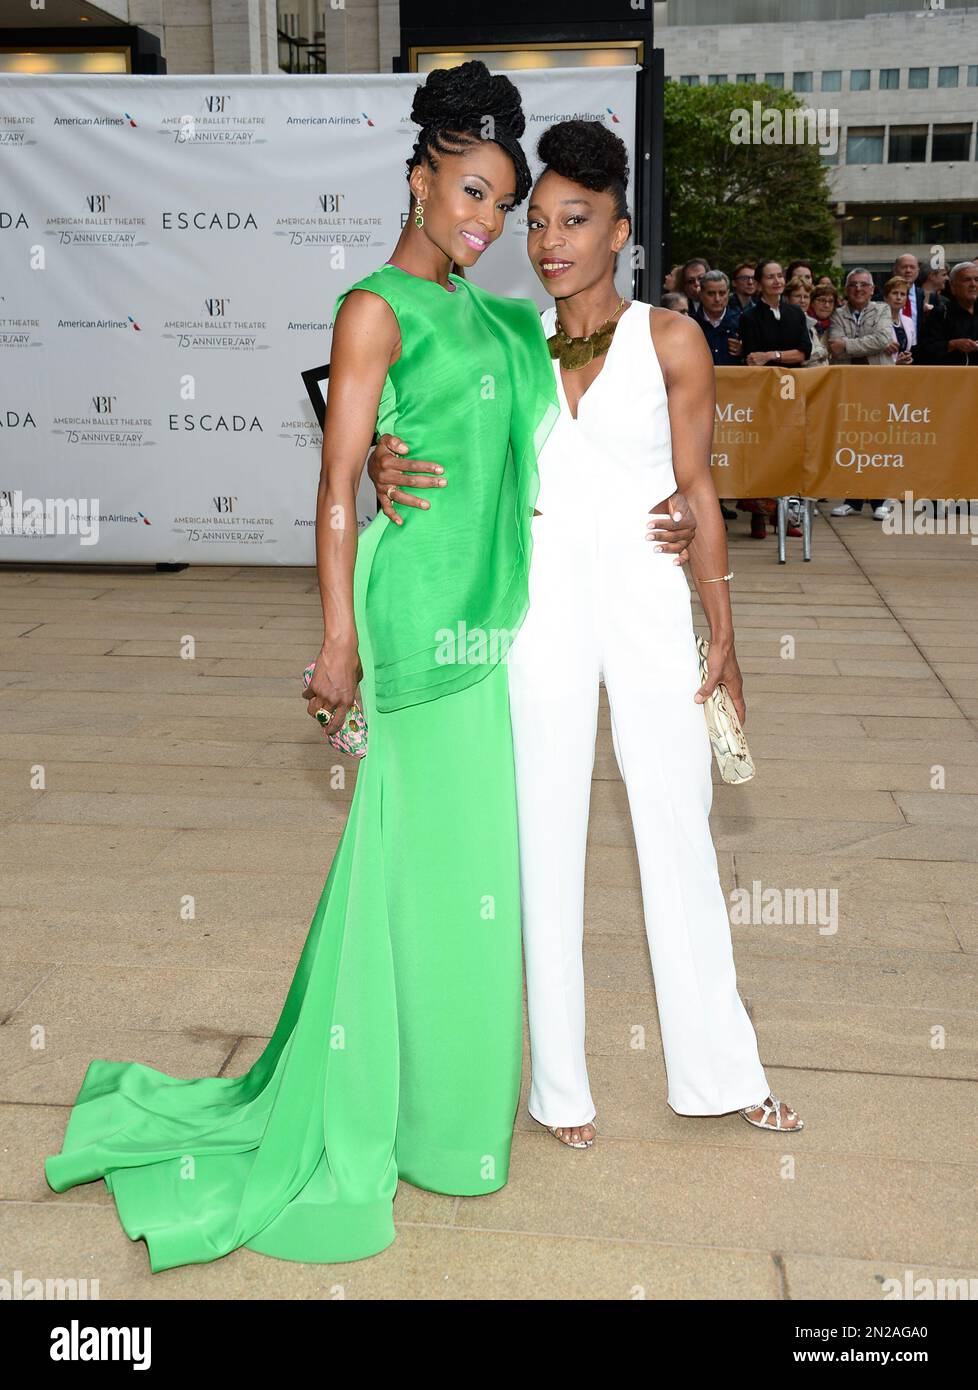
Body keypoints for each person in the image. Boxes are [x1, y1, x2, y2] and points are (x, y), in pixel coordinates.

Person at [43, 61, 567, 1272]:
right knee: (412, 868)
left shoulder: (497, 318)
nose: (486, 224)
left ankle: (452, 1122)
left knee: (461, 878)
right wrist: (337, 636)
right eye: (471, 194)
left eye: (504, 203)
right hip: (407, 620)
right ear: (420, 176)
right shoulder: (373, 308)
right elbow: (334, 488)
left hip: (483, 631)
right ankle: (391, 1113)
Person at [368, 120, 804, 1146]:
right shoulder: (505, 335)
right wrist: (383, 458)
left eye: (580, 220)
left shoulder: (671, 339)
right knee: (543, 841)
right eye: (543, 220)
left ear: (620, 233)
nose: (553, 240)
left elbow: (697, 488)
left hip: (651, 607)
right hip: (539, 613)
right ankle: (559, 1088)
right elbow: (423, 407)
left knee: (678, 836)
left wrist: (724, 634)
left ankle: (721, 1070)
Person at [737, 259, 811, 539]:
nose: (777, 281)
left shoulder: (795, 313)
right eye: (770, 277)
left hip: (792, 391)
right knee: (763, 452)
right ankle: (759, 513)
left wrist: (772, 355)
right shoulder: (750, 317)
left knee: (789, 452)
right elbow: (752, 359)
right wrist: (774, 356)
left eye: (780, 276)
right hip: (763, 395)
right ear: (759, 283)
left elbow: (803, 352)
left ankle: (784, 515)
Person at [828, 267, 898, 519]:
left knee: (877, 441)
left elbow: (882, 339)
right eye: (853, 285)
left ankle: (881, 499)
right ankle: (853, 499)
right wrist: (854, 346)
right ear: (846, 290)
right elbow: (833, 347)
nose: (858, 289)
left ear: (872, 289)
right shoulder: (837, 314)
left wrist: (847, 344)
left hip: (877, 385)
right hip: (848, 386)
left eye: (863, 284)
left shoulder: (881, 310)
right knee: (852, 442)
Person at [913, 261, 978, 365]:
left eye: (977, 280)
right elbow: (925, 349)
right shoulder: (941, 314)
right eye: (967, 280)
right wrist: (952, 345)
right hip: (951, 377)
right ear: (953, 286)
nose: (973, 284)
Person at [694, 269, 743, 363]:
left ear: (728, 293)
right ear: (700, 294)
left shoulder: (742, 322)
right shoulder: (691, 324)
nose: (717, 299)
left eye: (722, 293)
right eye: (711, 293)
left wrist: (745, 351)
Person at [784, 275, 829, 367]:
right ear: (787, 298)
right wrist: (822, 352)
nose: (802, 301)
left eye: (806, 297)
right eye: (797, 296)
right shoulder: (785, 321)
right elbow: (802, 358)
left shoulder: (810, 321)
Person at [883, 275, 915, 364]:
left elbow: (909, 349)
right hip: (882, 372)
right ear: (885, 297)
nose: (899, 297)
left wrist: (907, 357)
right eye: (894, 293)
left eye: (903, 294)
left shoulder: (909, 321)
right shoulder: (876, 320)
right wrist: (895, 363)